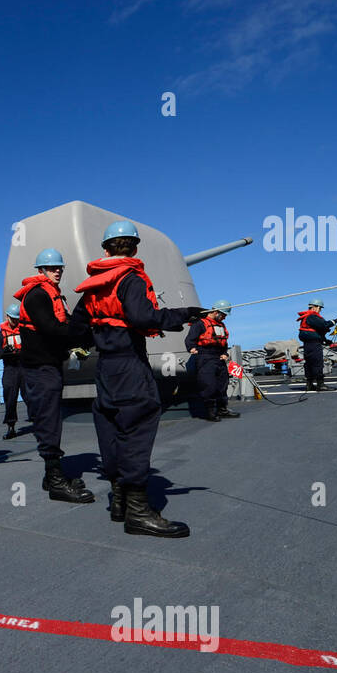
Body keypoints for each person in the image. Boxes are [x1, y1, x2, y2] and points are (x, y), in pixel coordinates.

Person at [71, 220, 202, 536]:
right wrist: (184, 314)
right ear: (135, 248)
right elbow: (143, 317)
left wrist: (95, 338)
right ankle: (138, 512)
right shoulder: (131, 279)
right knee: (138, 427)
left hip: (106, 367)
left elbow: (76, 328)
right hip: (130, 364)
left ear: (105, 250)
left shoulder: (93, 286)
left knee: (112, 425)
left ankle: (119, 500)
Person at [13, 249, 94, 504]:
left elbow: (64, 326)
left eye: (59, 267)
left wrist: (80, 337)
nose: (56, 270)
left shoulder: (55, 295)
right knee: (48, 421)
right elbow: (52, 328)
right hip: (39, 369)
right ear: (40, 271)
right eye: (50, 268)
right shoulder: (38, 295)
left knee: (52, 418)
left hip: (48, 366)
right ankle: (56, 482)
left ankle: (51, 477)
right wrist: (86, 336)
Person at [185, 299, 239, 421]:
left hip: (219, 358)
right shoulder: (200, 323)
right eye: (224, 315)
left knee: (222, 385)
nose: (224, 318)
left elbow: (224, 343)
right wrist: (192, 348)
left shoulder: (221, 325)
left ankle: (222, 409)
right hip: (205, 357)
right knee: (208, 385)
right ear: (216, 312)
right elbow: (190, 339)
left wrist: (225, 353)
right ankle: (210, 412)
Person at [0, 303, 26, 440]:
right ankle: (11, 427)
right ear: (7, 316)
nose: (15, 321)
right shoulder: (0, 335)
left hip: (25, 366)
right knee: (10, 398)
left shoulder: (24, 330)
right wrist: (3, 351)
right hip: (10, 369)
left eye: (17, 319)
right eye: (13, 318)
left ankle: (38, 421)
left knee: (31, 395)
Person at [296, 299, 337, 391]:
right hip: (314, 345)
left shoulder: (307, 317)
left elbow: (317, 331)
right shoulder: (312, 316)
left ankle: (309, 385)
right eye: (320, 308)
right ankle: (320, 384)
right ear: (315, 307)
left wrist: (325, 340)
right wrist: (336, 320)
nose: (320, 310)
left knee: (309, 363)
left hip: (308, 344)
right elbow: (324, 325)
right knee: (317, 363)